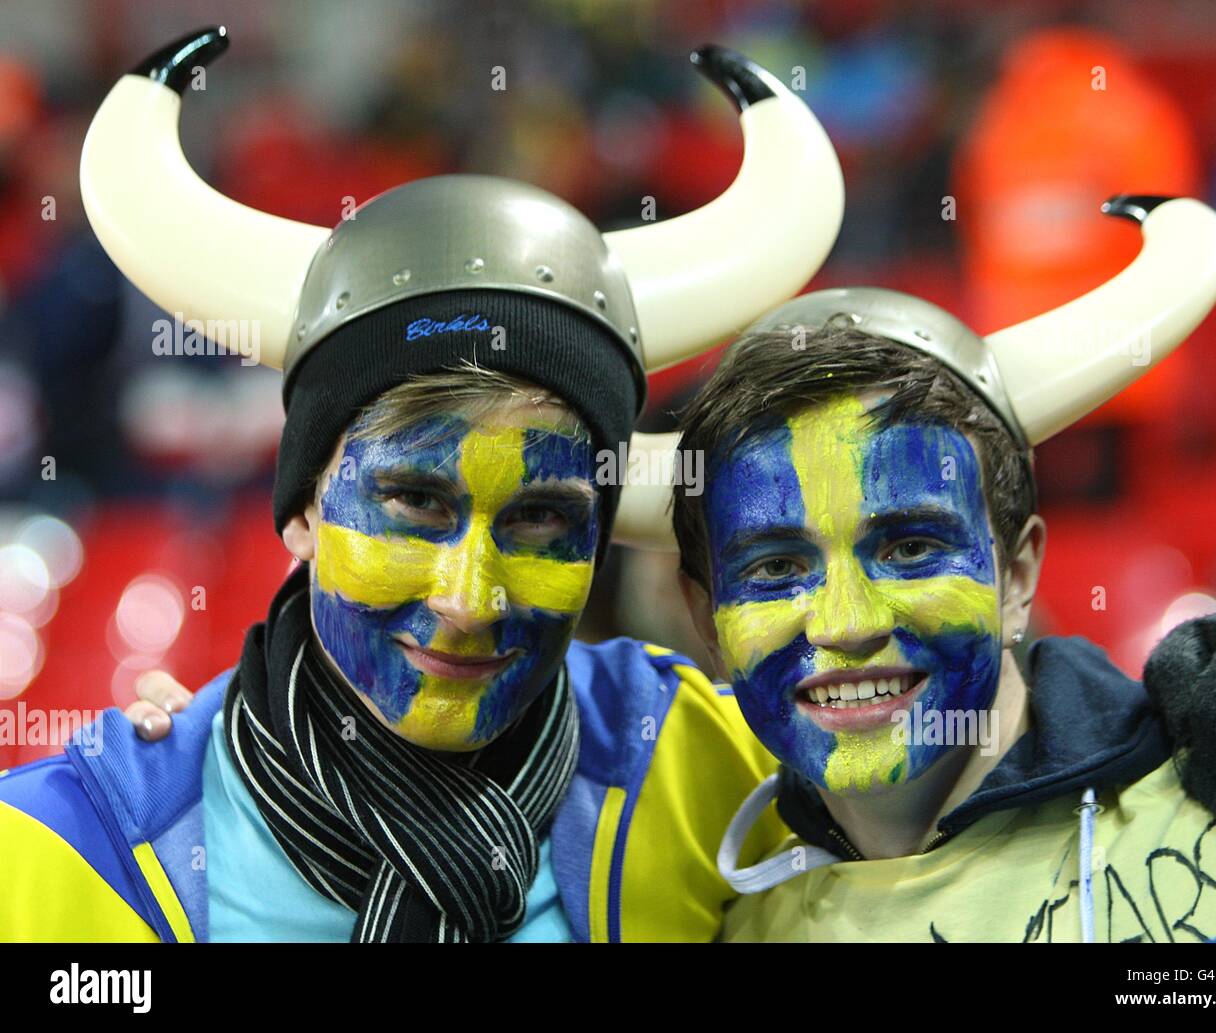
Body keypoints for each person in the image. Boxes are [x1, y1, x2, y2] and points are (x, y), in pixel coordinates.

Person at [0, 26, 844, 942]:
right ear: (303, 511)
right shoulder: (72, 845)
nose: (468, 599)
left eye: (539, 518)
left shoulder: (706, 775)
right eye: (414, 502)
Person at [662, 197, 1216, 942]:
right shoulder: (724, 927)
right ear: (707, 622)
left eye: (908, 549)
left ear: (1018, 575)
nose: (848, 623)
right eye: (776, 566)